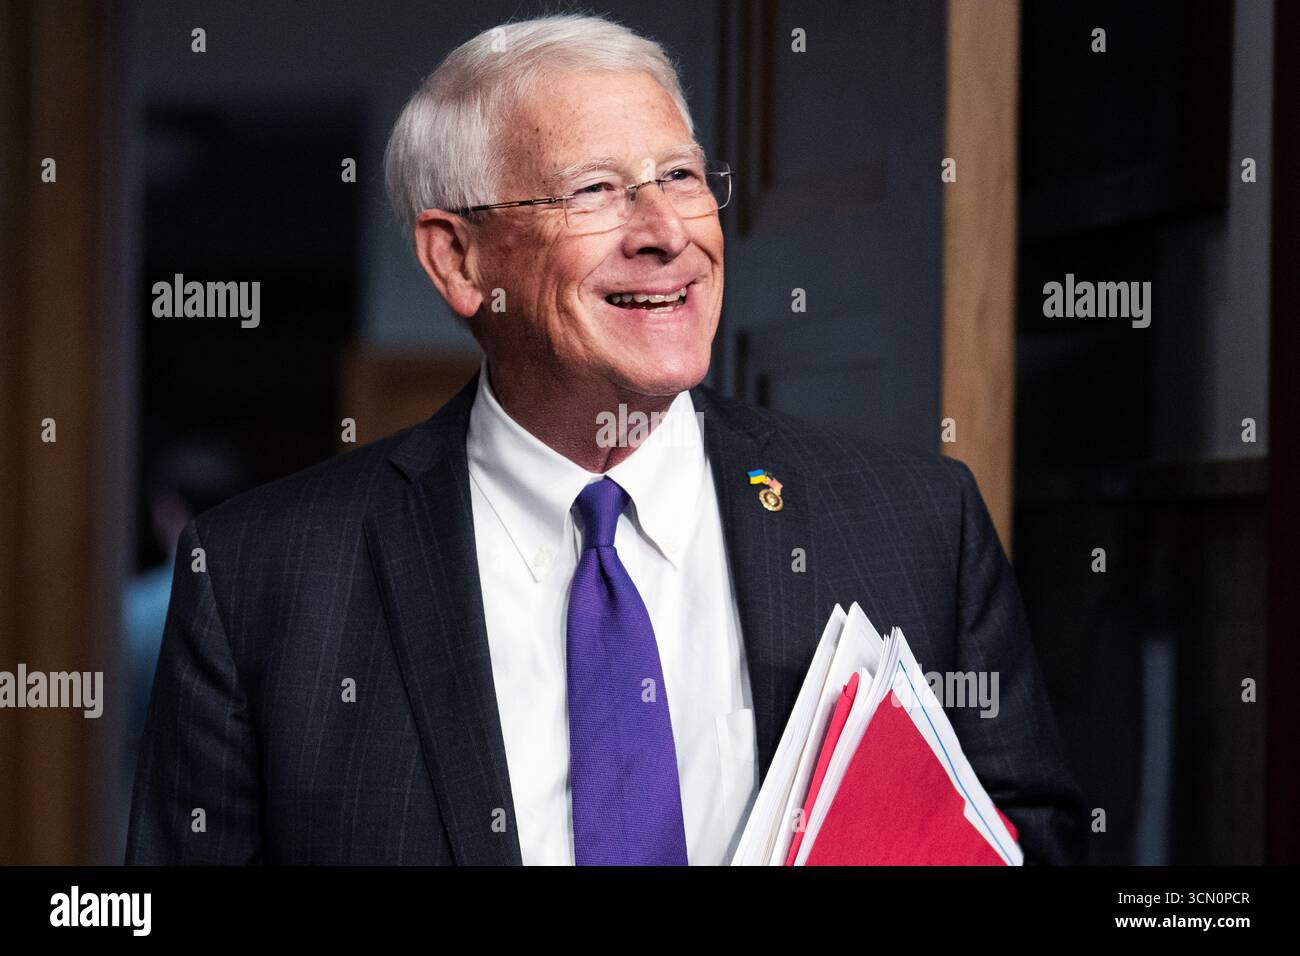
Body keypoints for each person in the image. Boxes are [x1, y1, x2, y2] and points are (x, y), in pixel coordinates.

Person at [126, 12, 1084, 865]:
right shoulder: (260, 577)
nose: (666, 230)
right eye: (595, 189)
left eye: (680, 175)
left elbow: (1025, 838)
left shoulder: (917, 524)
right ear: (458, 259)